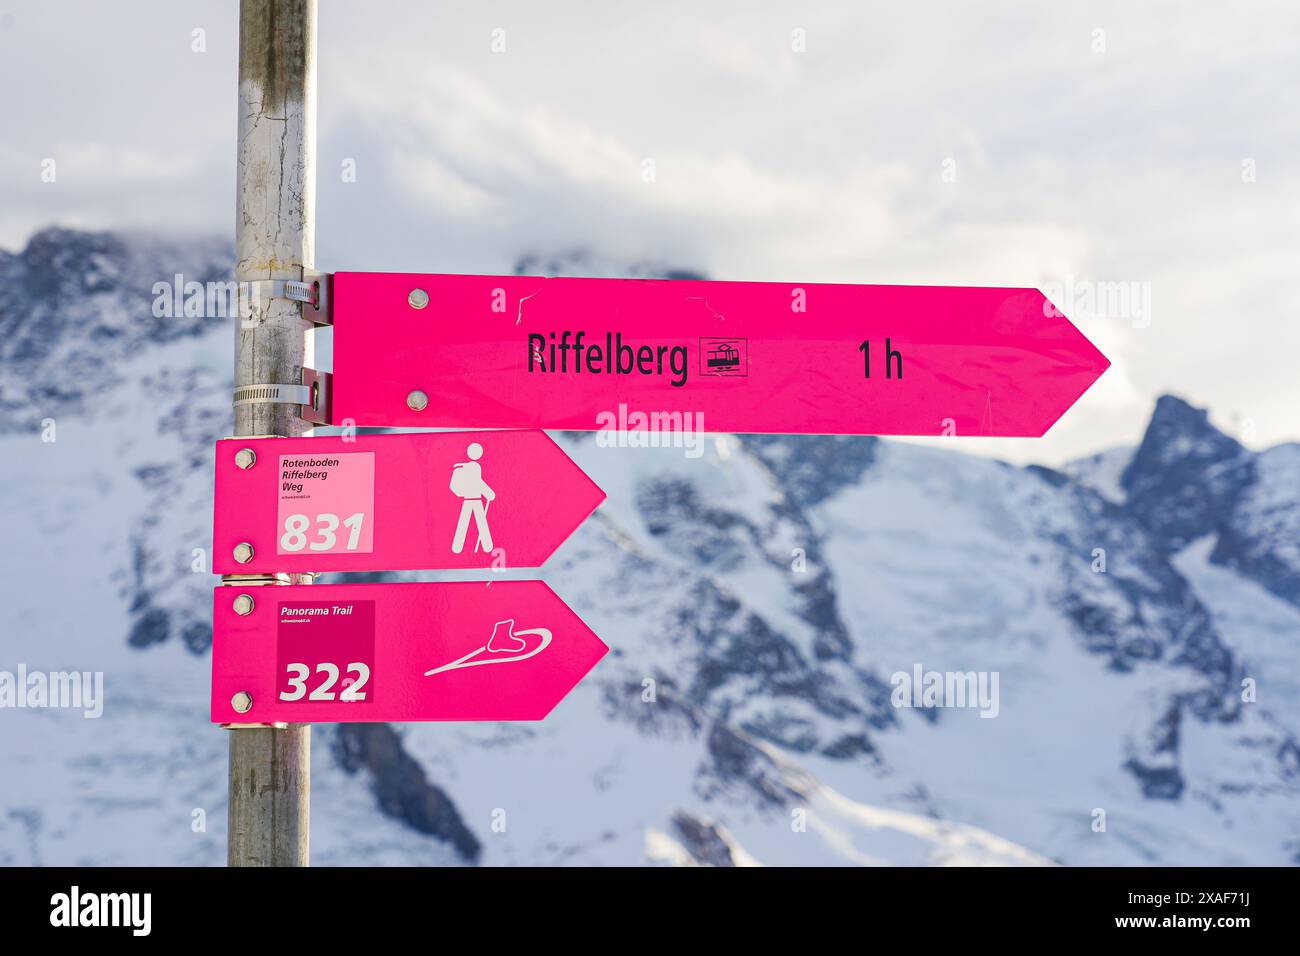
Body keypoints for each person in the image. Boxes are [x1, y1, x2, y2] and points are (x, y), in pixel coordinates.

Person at [450, 442, 495, 554]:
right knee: (480, 522)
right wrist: (489, 493)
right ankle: (487, 546)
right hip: (475, 499)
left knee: (465, 522)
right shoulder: (474, 467)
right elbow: (479, 483)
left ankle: (457, 547)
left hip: (468, 499)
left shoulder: (463, 467)